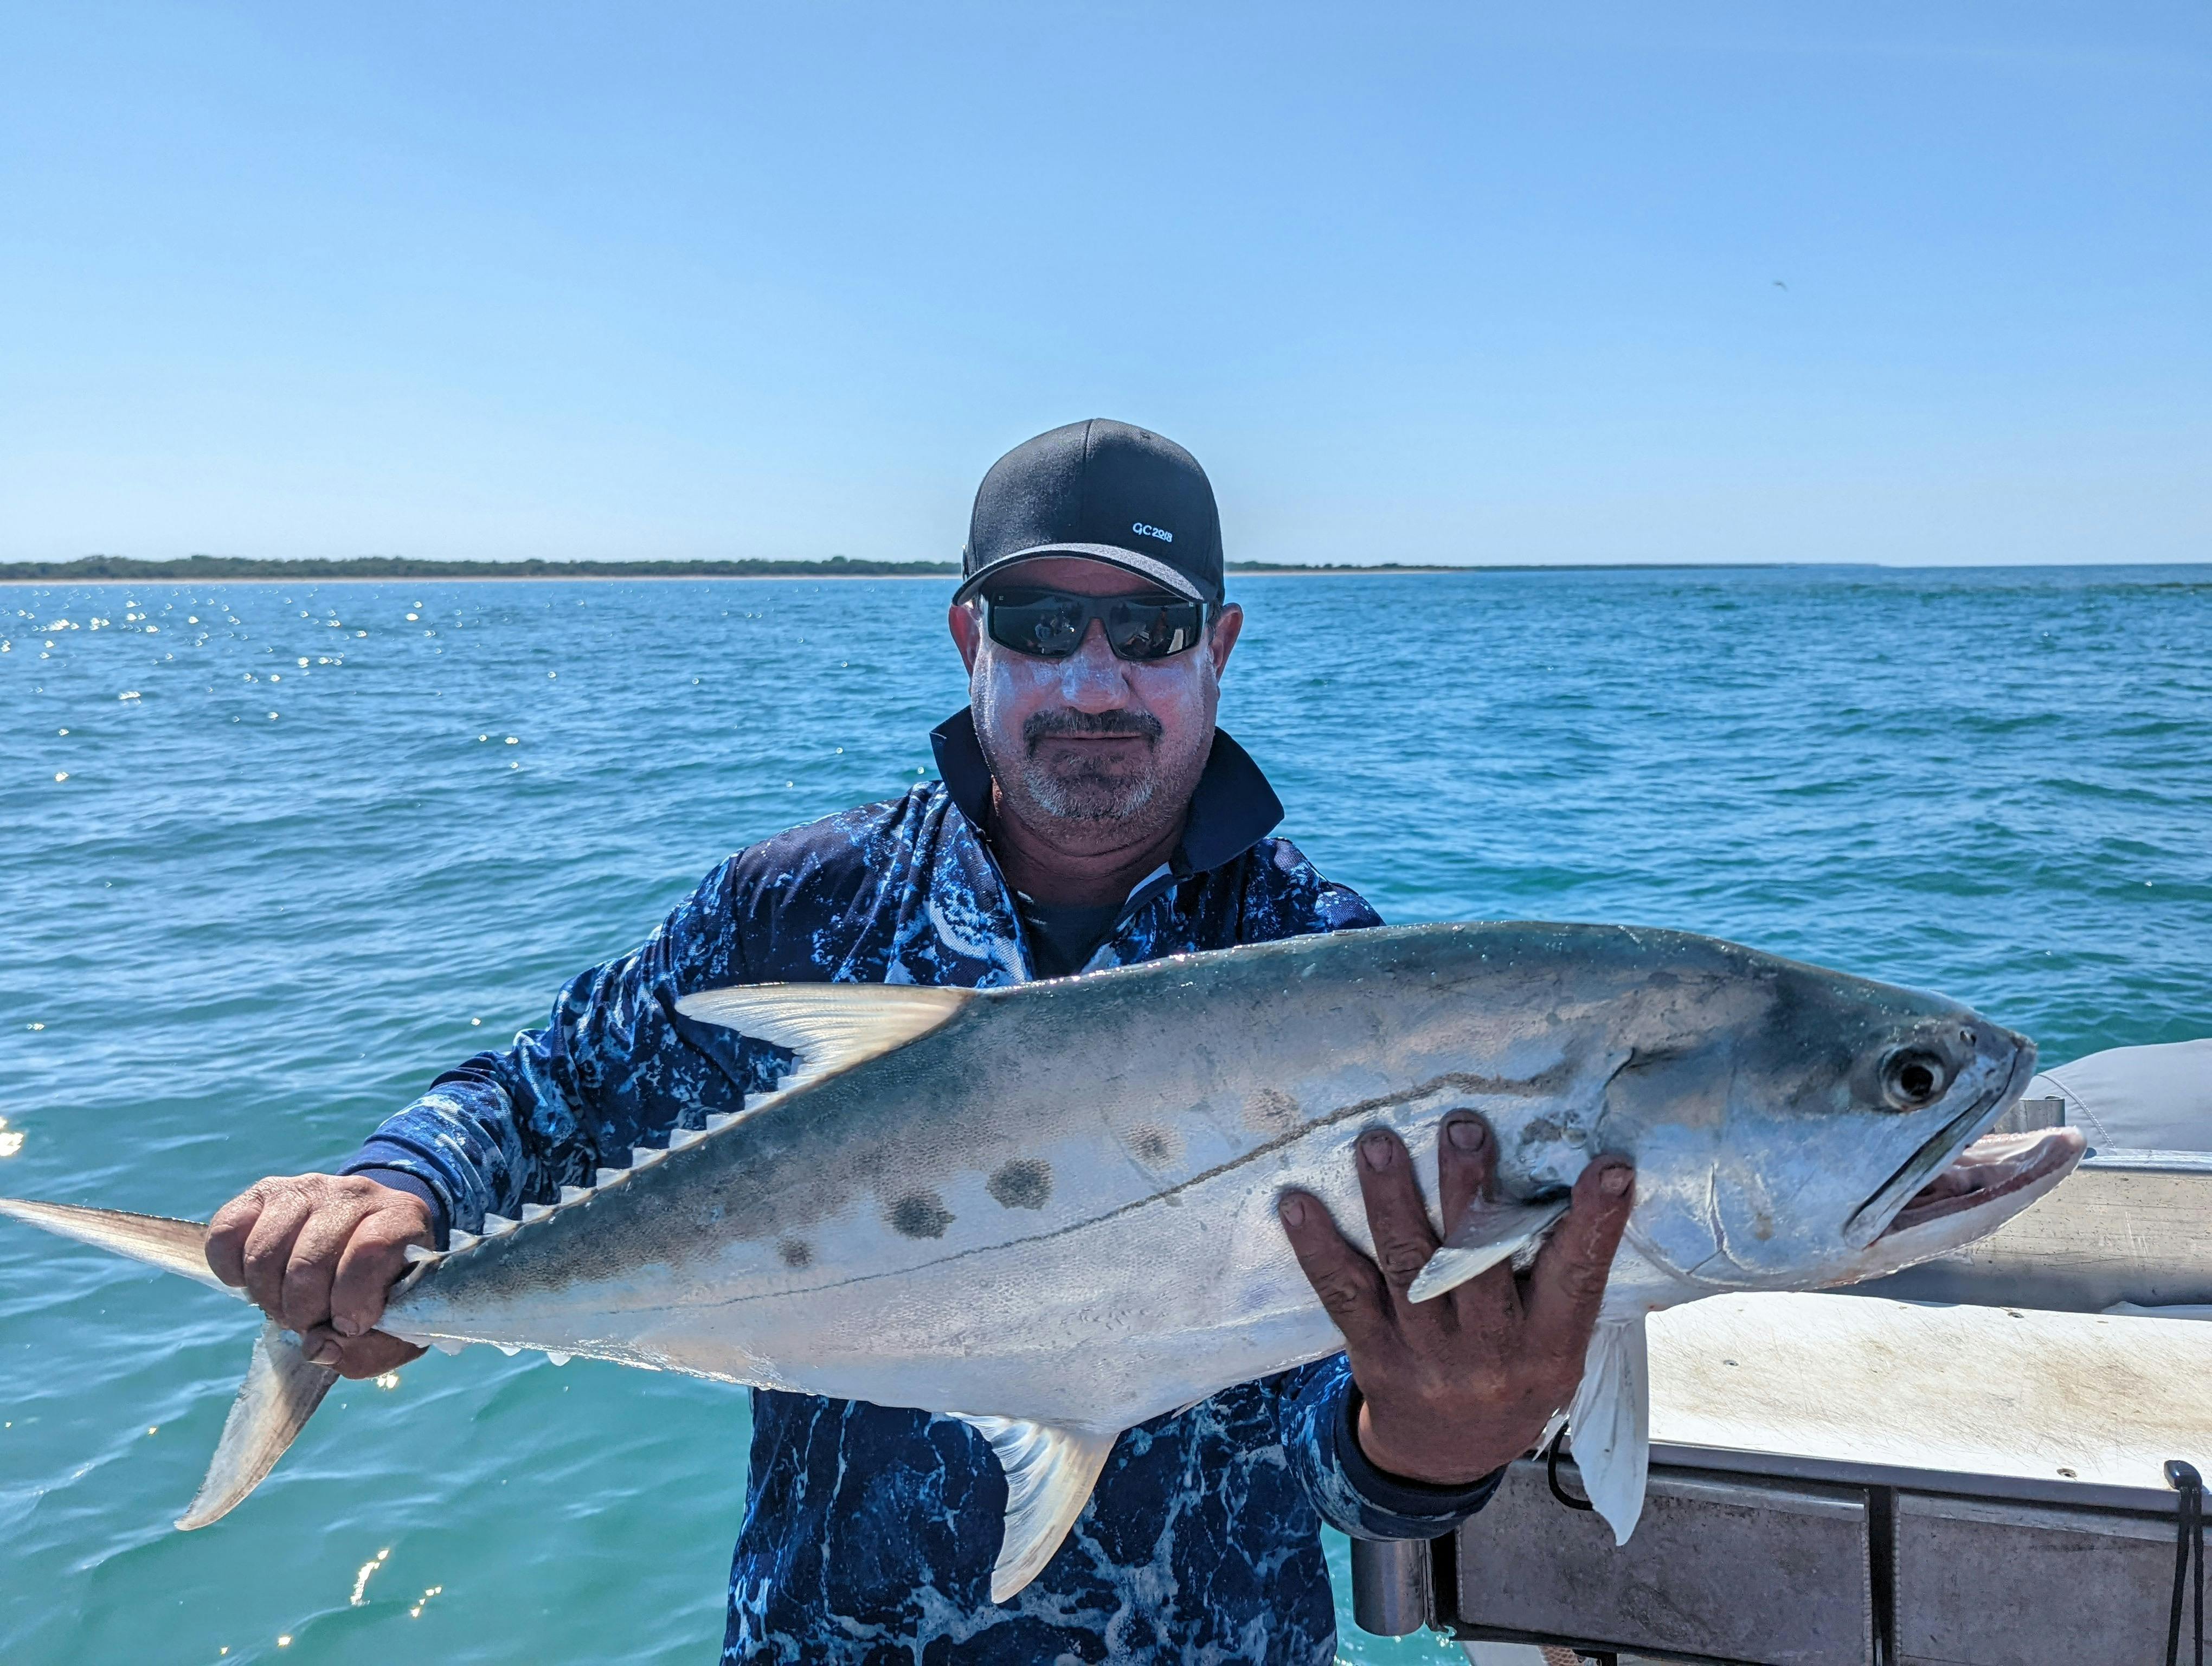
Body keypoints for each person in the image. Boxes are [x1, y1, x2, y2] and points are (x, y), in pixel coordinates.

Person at [202, 419, 1635, 1663]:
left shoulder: (1334, 974)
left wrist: (1438, 1444)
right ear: (970, 642)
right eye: (1039, 625)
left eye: (1147, 631)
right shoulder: (798, 908)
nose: (1092, 683)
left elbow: (1340, 1438)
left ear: (1219, 650)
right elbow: (555, 1088)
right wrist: (400, 1190)